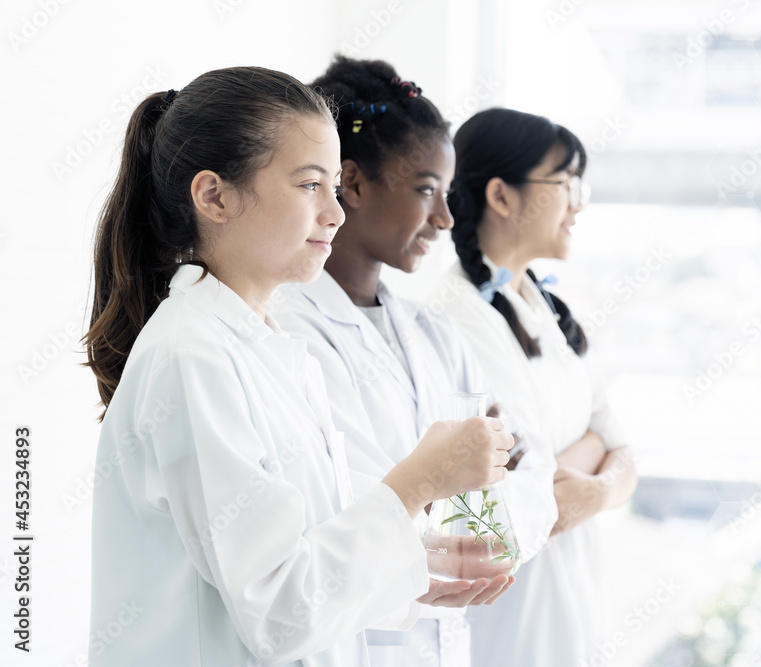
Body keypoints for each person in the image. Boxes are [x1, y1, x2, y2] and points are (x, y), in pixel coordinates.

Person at [83, 66, 514, 667]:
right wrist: (422, 479)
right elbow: (280, 612)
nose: (335, 214)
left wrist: (415, 573)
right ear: (214, 196)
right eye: (310, 185)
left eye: (335, 187)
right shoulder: (192, 357)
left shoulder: (267, 345)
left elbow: (308, 546)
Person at [272, 57, 557, 667]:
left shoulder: (436, 336)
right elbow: (345, 517)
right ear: (350, 182)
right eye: (426, 189)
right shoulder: (288, 333)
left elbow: (537, 481)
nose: (446, 219)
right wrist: (466, 482)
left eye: (448, 194)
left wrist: (459, 507)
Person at [438, 107, 638, 666]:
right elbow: (529, 487)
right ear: (502, 197)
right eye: (564, 183)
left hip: (574, 606)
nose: (579, 202)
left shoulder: (547, 305)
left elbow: (619, 443)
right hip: (509, 621)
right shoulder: (455, 317)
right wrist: (593, 457)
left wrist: (597, 487)